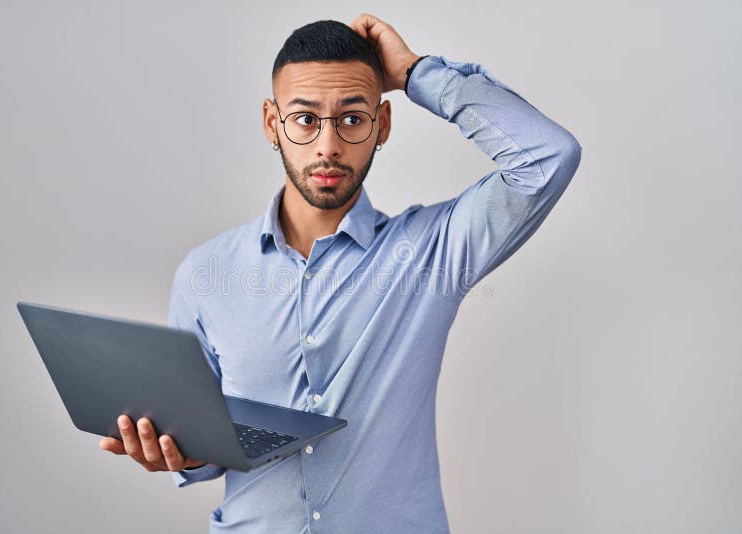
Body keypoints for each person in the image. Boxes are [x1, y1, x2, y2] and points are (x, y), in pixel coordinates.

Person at [99, 12, 582, 532]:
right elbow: (208, 439)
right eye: (305, 119)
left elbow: (548, 157)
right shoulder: (205, 273)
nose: (327, 147)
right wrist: (182, 452)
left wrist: (418, 73)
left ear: (383, 126)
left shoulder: (432, 252)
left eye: (352, 119)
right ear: (271, 124)